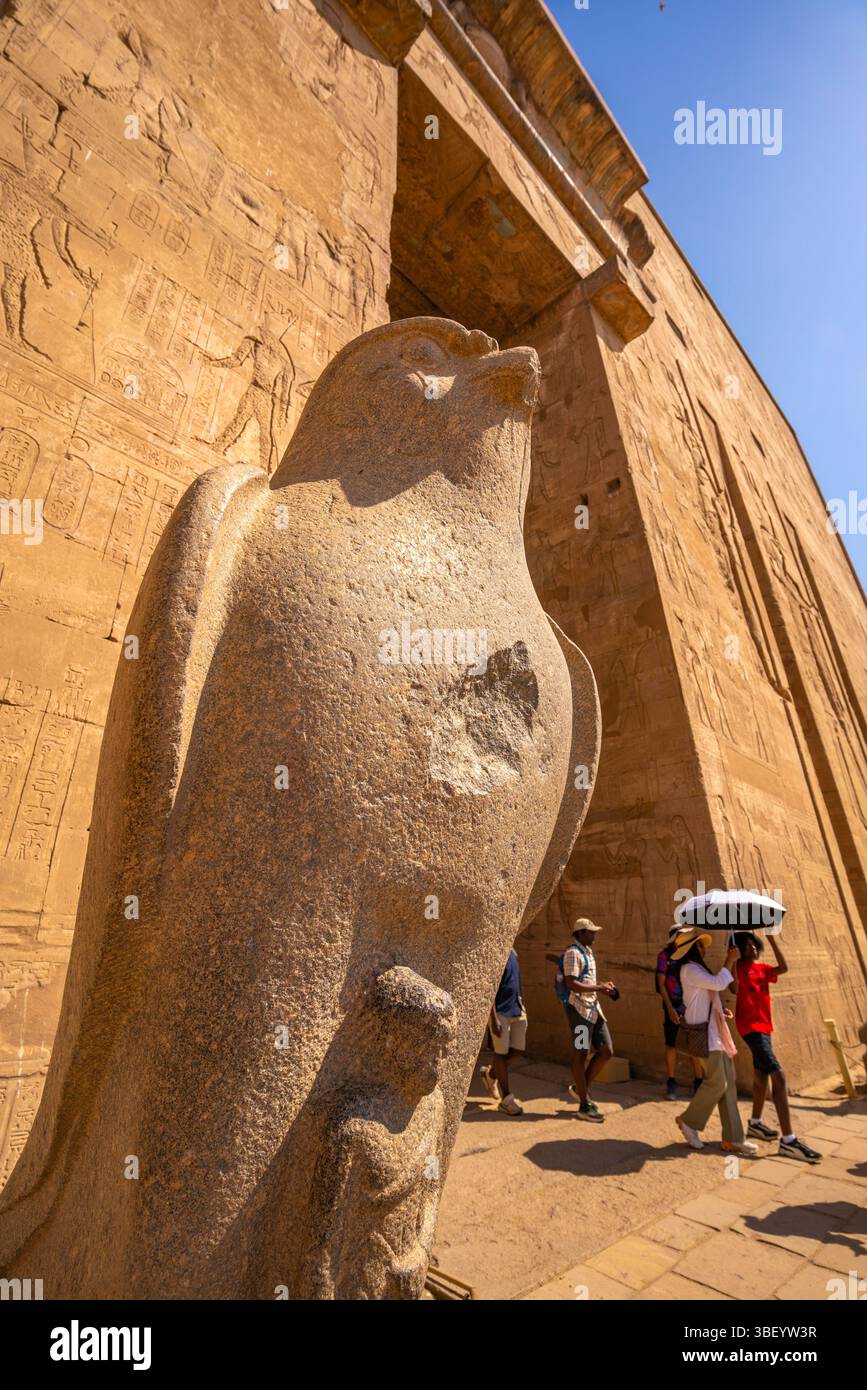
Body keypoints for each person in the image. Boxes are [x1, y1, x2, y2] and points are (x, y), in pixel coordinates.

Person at [731, 932, 821, 1164]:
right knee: (777, 1074)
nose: (753, 949)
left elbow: (783, 968)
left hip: (764, 1027)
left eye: (754, 946)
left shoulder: (761, 969)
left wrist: (771, 939)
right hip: (750, 1027)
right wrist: (731, 960)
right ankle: (789, 1140)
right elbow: (732, 989)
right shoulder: (738, 968)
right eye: (748, 947)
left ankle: (755, 1123)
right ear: (740, 949)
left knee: (761, 1074)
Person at [672, 928, 758, 1155]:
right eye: (700, 945)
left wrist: (721, 1010)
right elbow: (718, 983)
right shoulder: (690, 969)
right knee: (718, 1083)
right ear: (692, 949)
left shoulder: (697, 969)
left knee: (728, 1084)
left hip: (714, 1033)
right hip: (705, 1037)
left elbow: (710, 993)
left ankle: (734, 1138)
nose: (704, 948)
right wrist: (729, 960)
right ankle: (689, 1121)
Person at [561, 918, 617, 1123]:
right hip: (580, 1013)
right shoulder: (573, 953)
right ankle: (584, 1105)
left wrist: (603, 987)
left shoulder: (587, 952)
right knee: (580, 1054)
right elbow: (571, 983)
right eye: (591, 932)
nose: (594, 935)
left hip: (594, 1010)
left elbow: (587, 981)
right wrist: (598, 987)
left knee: (606, 1051)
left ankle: (580, 1088)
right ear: (581, 932)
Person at [656, 924, 704, 1101]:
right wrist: (669, 1008)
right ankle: (671, 1081)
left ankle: (698, 1081)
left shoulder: (687, 954)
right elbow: (661, 984)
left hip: (690, 1004)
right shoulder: (664, 956)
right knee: (671, 1044)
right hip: (673, 1005)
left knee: (694, 1044)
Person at [479, 948, 527, 1115]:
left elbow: (517, 982)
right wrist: (493, 1018)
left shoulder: (514, 952)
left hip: (517, 1009)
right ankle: (507, 1099)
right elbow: (488, 987)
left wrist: (522, 1005)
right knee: (501, 1052)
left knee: (518, 1050)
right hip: (500, 1012)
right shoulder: (495, 952)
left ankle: (491, 1074)